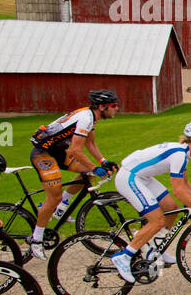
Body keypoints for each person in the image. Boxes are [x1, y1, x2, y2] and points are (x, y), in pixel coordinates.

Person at [109, 121, 191, 284]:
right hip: (130, 177)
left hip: (142, 177)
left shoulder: (183, 153)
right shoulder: (179, 154)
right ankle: (125, 256)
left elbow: (185, 182)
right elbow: (179, 191)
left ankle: (154, 248)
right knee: (157, 220)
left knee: (171, 208)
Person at [28, 89, 121, 260]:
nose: (117, 108)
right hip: (43, 153)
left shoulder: (91, 117)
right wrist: (93, 167)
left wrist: (103, 162)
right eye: (114, 106)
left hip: (57, 150)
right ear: (102, 107)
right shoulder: (86, 118)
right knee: (53, 197)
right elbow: (77, 150)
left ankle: (62, 206)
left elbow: (90, 144)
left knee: (87, 174)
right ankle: (36, 239)